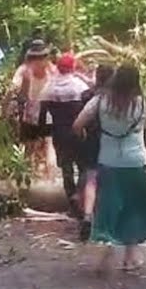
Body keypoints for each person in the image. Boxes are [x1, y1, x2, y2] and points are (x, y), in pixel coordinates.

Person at [73, 63, 146, 271]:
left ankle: (108, 244)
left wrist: (87, 136)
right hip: (135, 161)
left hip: (109, 161)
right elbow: (145, 125)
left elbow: (77, 124)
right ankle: (131, 256)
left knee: (109, 205)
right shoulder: (141, 103)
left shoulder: (100, 101)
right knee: (133, 207)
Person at [38, 52, 90, 217]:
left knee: (66, 170)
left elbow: (42, 114)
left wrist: (44, 133)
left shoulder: (49, 87)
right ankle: (81, 199)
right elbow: (88, 108)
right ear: (73, 67)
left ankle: (72, 203)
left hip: (59, 133)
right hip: (78, 132)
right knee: (83, 167)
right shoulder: (79, 86)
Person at [8, 40, 58, 179]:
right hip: (48, 113)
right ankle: (51, 180)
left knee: (29, 149)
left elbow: (13, 88)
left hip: (31, 113)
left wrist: (5, 106)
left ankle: (31, 180)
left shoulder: (24, 70)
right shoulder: (52, 69)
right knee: (49, 145)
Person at [75, 64, 114, 242]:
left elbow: (78, 124)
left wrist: (82, 134)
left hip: (93, 141)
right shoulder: (121, 100)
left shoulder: (91, 97)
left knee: (91, 180)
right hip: (113, 144)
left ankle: (88, 216)